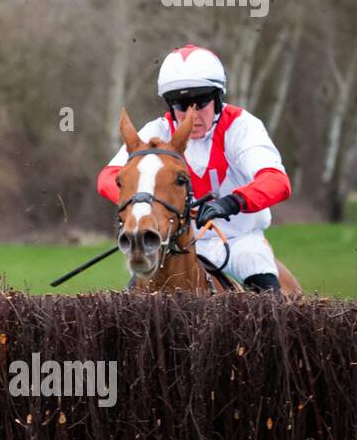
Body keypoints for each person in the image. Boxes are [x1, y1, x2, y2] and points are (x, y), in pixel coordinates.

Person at [97, 44, 292, 291]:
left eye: (201, 103)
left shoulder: (243, 127)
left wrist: (230, 203)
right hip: (179, 243)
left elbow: (277, 182)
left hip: (239, 242)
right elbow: (108, 177)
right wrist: (145, 202)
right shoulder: (157, 132)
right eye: (180, 105)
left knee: (256, 264)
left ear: (218, 98)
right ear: (170, 105)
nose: (192, 115)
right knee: (134, 294)